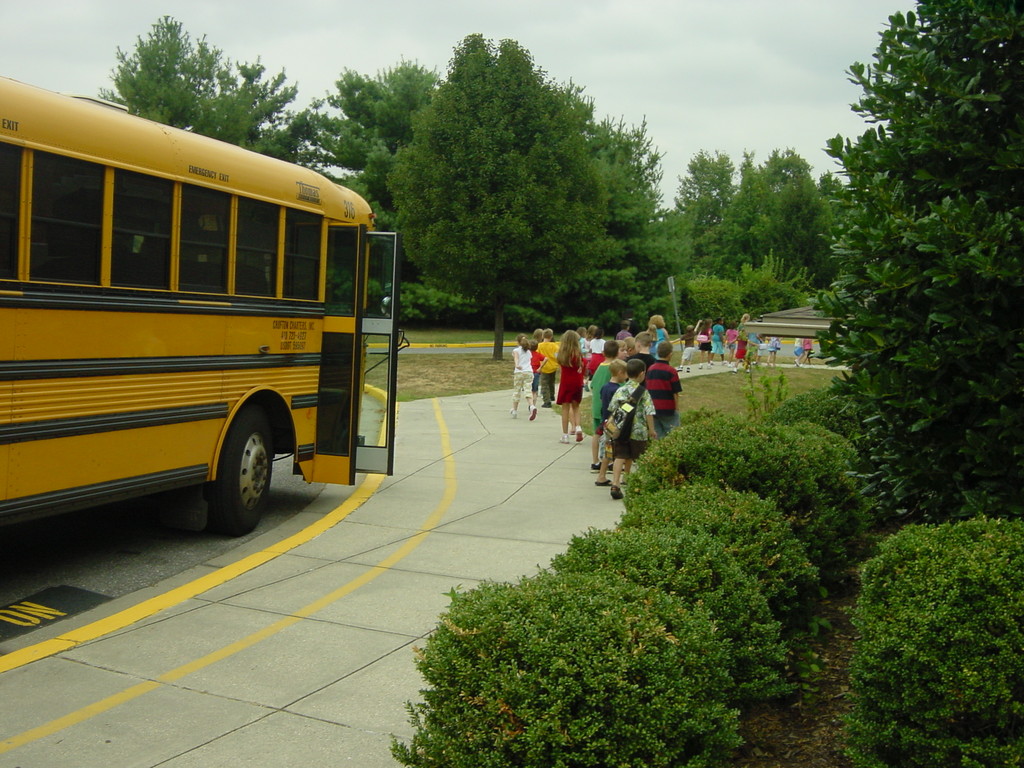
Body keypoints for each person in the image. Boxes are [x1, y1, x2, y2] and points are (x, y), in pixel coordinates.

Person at [607, 358, 656, 500]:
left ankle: (616, 483)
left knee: (621, 456)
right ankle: (633, 482)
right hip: (638, 431)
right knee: (638, 457)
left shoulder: (620, 390)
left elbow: (612, 408)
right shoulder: (644, 392)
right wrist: (651, 430)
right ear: (642, 374)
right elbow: (649, 412)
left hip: (621, 430)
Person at [593, 359, 627, 487]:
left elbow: (603, 402)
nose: (627, 377)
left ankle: (601, 475)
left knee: (608, 450)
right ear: (620, 373)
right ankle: (616, 478)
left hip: (605, 421)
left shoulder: (605, 387)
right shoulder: (618, 390)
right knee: (618, 451)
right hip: (614, 424)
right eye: (625, 374)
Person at [588, 340, 619, 471]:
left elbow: (593, 385)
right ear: (617, 353)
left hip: (596, 405)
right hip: (607, 409)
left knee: (596, 434)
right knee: (609, 436)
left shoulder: (600, 367)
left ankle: (595, 461)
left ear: (603, 353)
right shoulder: (614, 368)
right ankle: (609, 460)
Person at [647, 340, 682, 438]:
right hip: (668, 408)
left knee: (658, 436)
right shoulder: (671, 371)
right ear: (670, 354)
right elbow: (675, 392)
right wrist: (676, 408)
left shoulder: (650, 369)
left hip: (653, 408)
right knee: (673, 435)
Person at [555, 329, 586, 443]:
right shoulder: (578, 355)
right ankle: (578, 427)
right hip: (577, 383)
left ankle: (565, 435)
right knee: (576, 407)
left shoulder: (562, 355)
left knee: (565, 409)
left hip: (566, 383)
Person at [509, 334, 537, 420]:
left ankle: (514, 410)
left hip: (519, 372)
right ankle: (532, 406)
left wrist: (517, 365)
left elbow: (516, 358)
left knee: (517, 390)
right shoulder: (529, 352)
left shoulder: (516, 350)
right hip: (529, 372)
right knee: (528, 389)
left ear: (517, 342)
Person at [537, 328, 559, 407]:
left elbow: (537, 356)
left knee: (544, 384)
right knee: (551, 382)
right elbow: (557, 356)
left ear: (542, 336)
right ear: (551, 337)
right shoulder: (554, 346)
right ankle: (552, 395)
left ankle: (547, 401)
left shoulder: (539, 346)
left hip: (544, 367)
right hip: (553, 366)